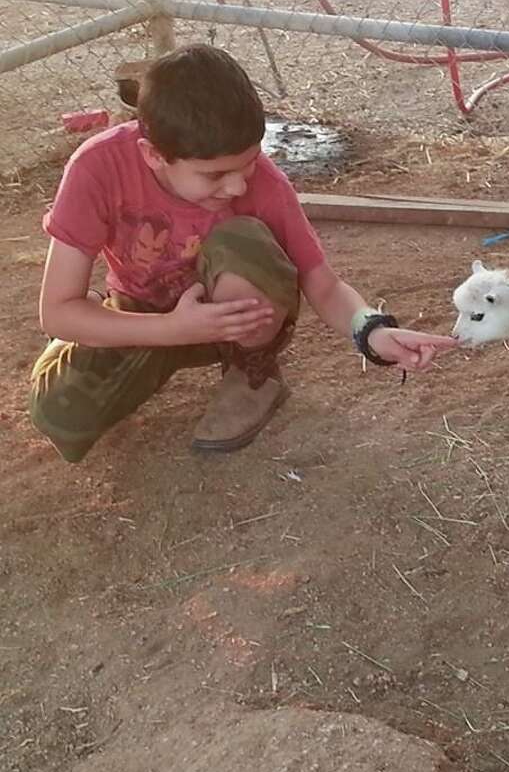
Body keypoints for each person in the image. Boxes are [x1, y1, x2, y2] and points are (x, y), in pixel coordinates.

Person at [29, 43, 456, 462]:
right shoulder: (98, 167)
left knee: (241, 237)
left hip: (233, 322)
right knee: (60, 416)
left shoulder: (265, 183)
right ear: (153, 155)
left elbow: (322, 284)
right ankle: (93, 328)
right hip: (144, 315)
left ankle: (252, 369)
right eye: (214, 175)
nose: (237, 186)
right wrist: (173, 330)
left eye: (249, 162)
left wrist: (373, 333)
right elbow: (57, 311)